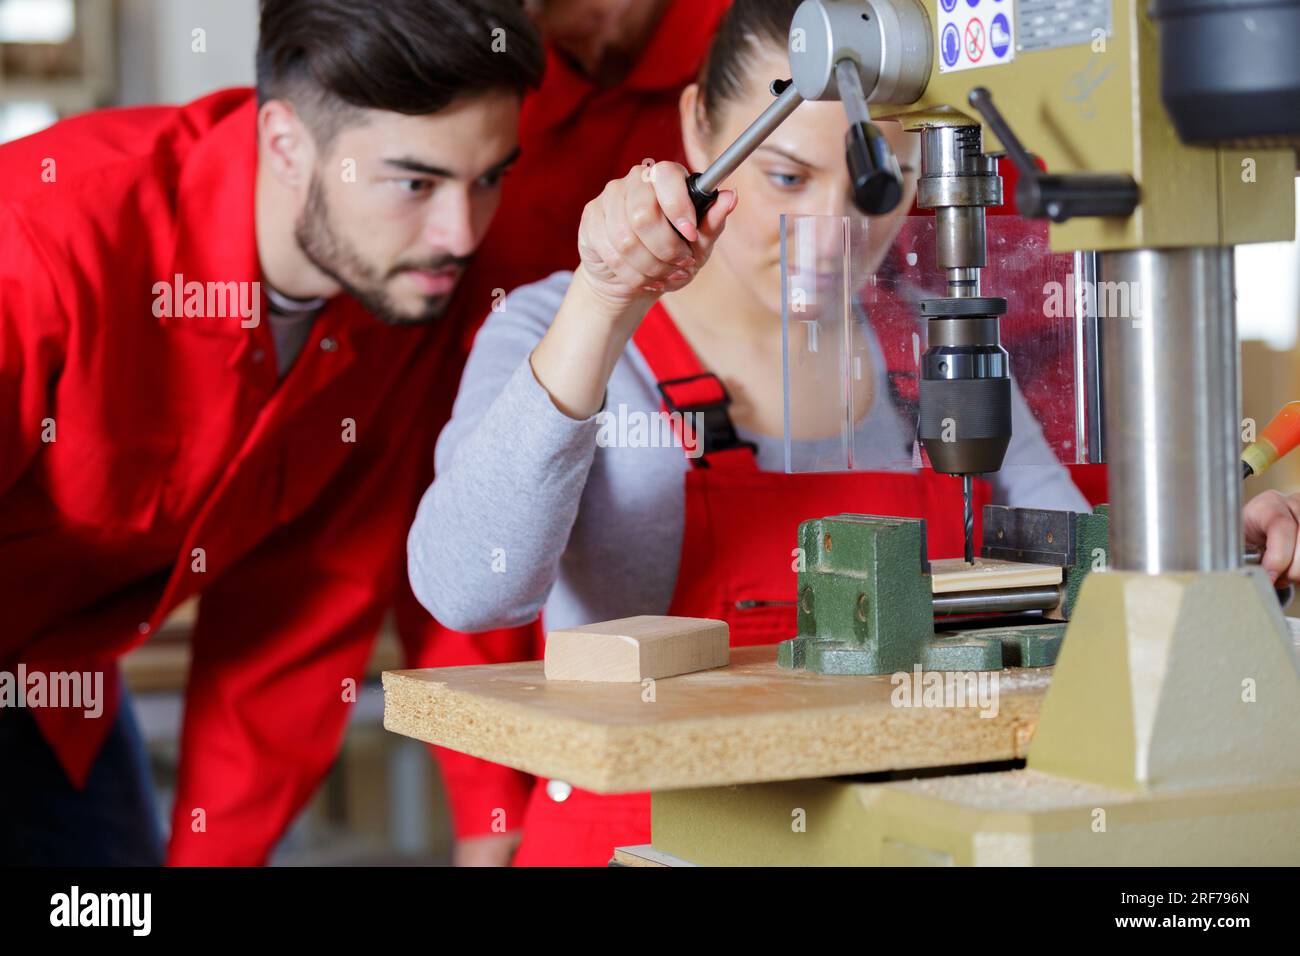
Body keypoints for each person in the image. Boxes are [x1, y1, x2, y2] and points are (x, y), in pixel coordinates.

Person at [408, 0, 1300, 866]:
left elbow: (1077, 574)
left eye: (880, 183)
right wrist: (604, 301)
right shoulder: (556, 329)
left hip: (896, 832)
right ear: (696, 129)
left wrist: (1205, 548)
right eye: (787, 176)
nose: (834, 234)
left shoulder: (935, 344)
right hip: (644, 841)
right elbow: (469, 591)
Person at [0, 0, 543, 865]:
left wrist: (492, 820)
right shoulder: (40, 237)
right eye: (415, 183)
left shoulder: (406, 302)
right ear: (287, 144)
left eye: (488, 178)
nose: (460, 234)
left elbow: (303, 608)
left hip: (56, 678)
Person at [400, 0, 733, 866]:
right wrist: (485, 807)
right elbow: (473, 533)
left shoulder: (760, 55)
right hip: (496, 515)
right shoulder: (488, 84)